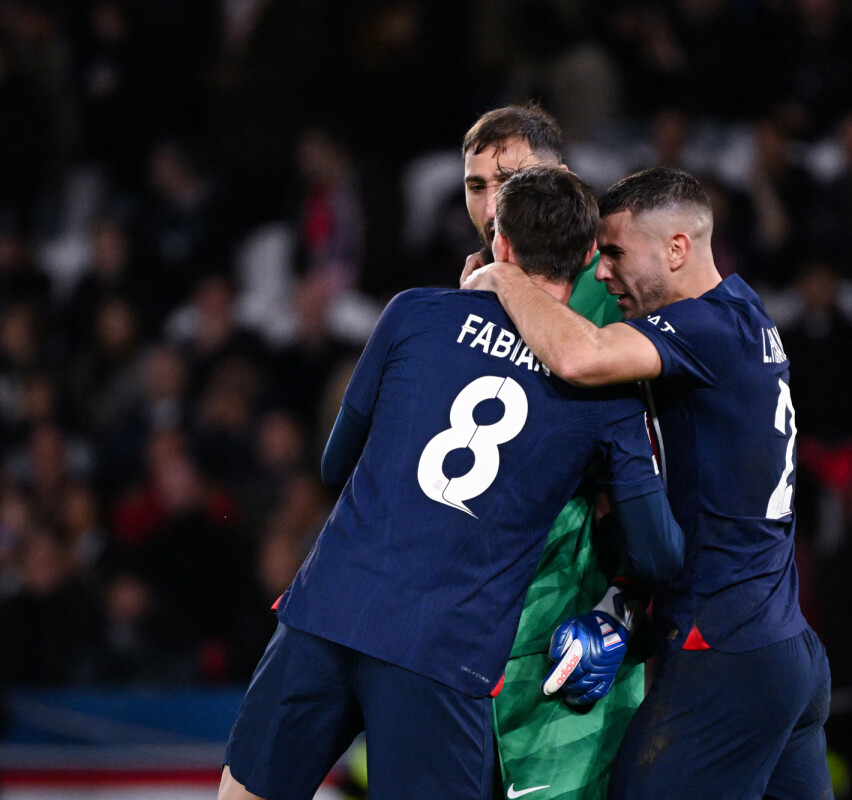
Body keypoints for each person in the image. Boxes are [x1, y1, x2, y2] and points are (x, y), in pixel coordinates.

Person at [218, 166, 682, 800]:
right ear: (585, 260)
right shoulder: (605, 388)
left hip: (328, 609)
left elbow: (333, 466)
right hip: (443, 649)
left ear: (503, 246)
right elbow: (656, 551)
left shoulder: (413, 312)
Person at [464, 167, 832, 799]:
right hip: (779, 646)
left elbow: (580, 357)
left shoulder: (707, 327)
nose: (601, 274)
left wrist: (504, 279)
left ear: (676, 249)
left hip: (727, 649)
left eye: (613, 253)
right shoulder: (746, 316)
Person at [460, 104, 649, 800]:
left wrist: (620, 606)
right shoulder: (471, 292)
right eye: (477, 185)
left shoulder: (607, 291)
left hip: (572, 614)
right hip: (481, 626)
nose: (491, 203)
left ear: (563, 180)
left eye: (509, 179)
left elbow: (647, 470)